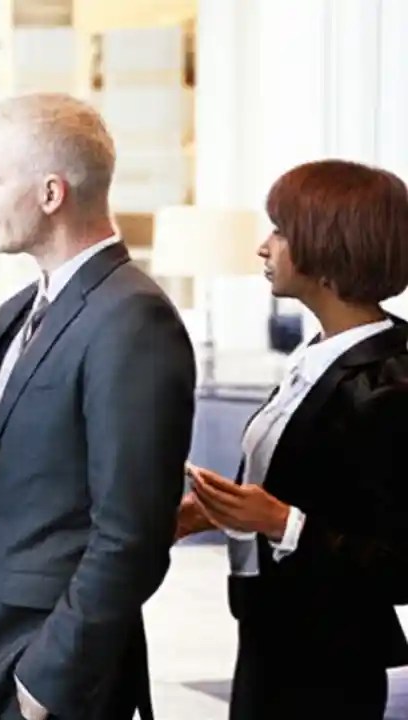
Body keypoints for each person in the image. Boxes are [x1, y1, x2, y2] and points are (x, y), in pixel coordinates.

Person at [0, 93, 197, 720]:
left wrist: (48, 680)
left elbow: (132, 534)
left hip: (56, 672)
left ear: (51, 193)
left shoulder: (133, 319)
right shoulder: (15, 314)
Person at [179, 159, 408, 720]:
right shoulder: (315, 355)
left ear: (329, 248)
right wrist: (216, 513)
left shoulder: (392, 382)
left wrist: (281, 522)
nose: (264, 246)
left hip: (330, 660)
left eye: (279, 230)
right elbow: (310, 486)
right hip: (273, 636)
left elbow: (399, 561)